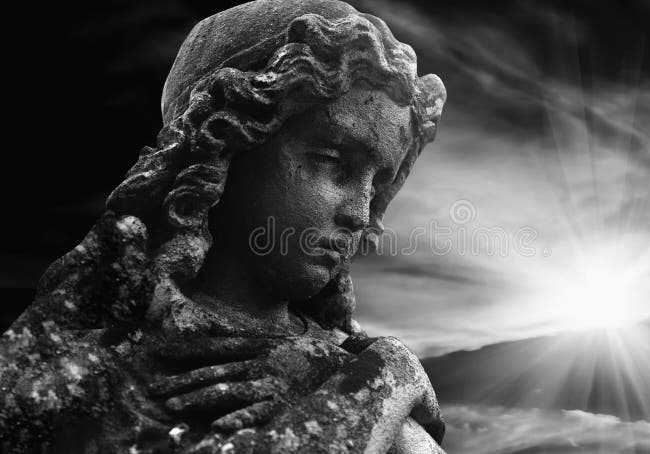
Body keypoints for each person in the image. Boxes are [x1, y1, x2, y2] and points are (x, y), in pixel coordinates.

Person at [0, 1, 447, 452]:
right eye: (331, 162)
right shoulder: (83, 376)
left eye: (377, 184)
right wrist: (379, 386)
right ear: (225, 148)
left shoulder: (348, 360)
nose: (360, 214)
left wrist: (380, 371)